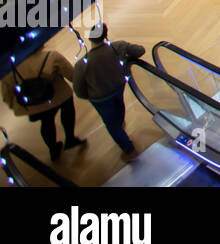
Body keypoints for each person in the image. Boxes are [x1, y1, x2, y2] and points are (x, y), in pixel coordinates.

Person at [72, 26, 145, 159]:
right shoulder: (117, 47)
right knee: (119, 108)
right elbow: (140, 51)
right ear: (105, 35)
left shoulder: (81, 65)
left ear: (90, 39)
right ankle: (120, 125)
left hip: (99, 99)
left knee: (111, 123)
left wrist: (90, 95)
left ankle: (128, 148)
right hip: (118, 87)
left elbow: (79, 91)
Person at [2, 51, 85, 162]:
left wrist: (14, 106)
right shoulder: (51, 56)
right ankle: (70, 138)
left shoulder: (8, 69)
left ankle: (53, 148)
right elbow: (71, 74)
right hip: (58, 96)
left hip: (33, 105)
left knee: (46, 123)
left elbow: (6, 94)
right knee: (68, 110)